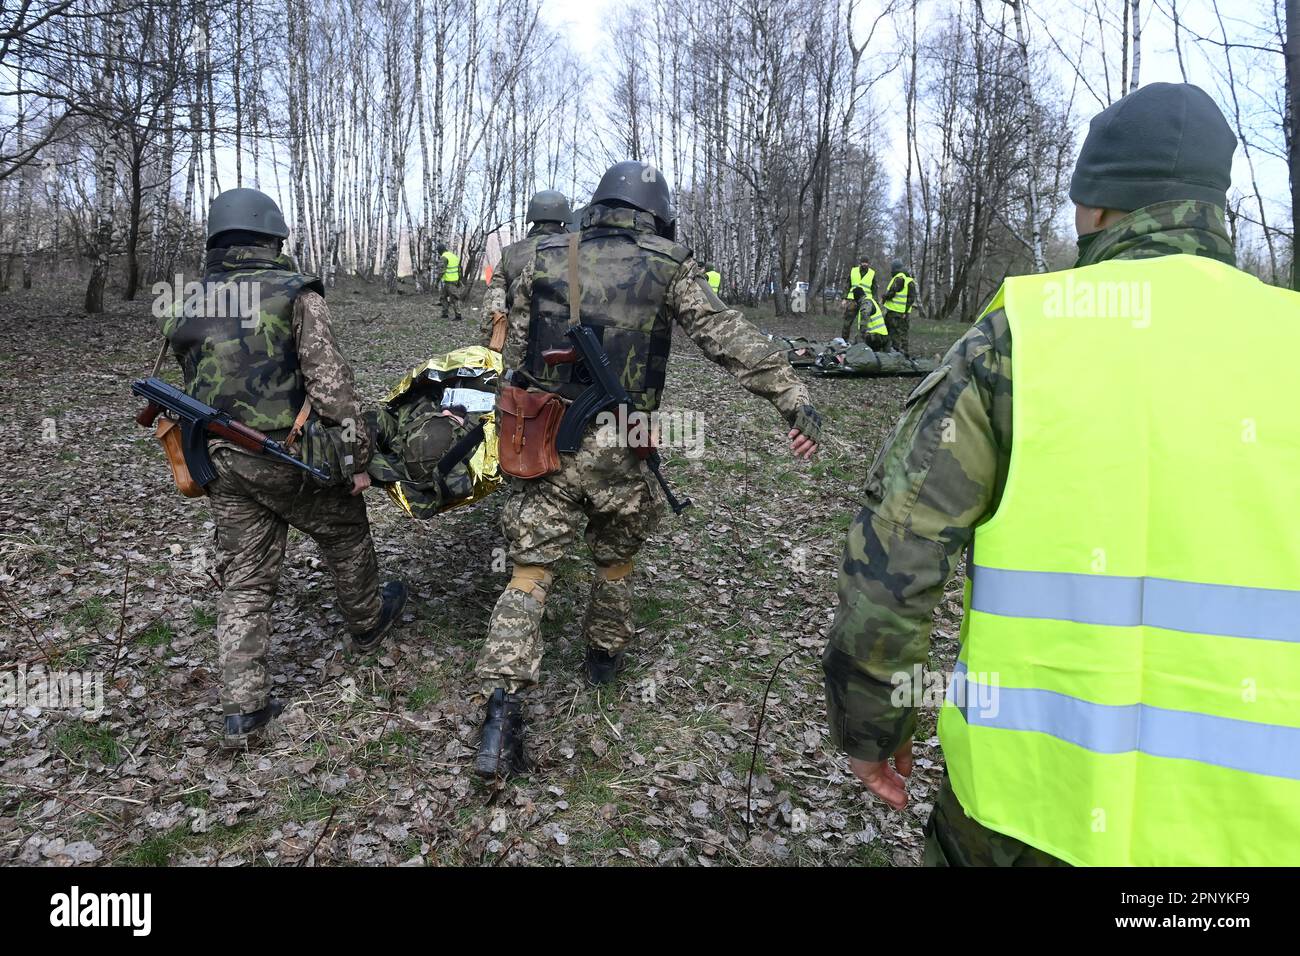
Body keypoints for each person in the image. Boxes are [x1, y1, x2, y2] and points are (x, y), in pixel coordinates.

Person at [822, 82, 1300, 866]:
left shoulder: (1020, 341)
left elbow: (895, 551)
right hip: (1258, 833)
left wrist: (872, 728)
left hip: (1027, 813)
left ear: (1096, 204)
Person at [475, 160, 823, 778]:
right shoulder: (667, 263)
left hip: (542, 438)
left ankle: (500, 716)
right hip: (626, 436)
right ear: (653, 211)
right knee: (615, 558)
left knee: (528, 573)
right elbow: (726, 336)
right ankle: (603, 656)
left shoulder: (536, 256)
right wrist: (792, 396)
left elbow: (512, 354)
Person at [162, 188, 408, 748]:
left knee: (245, 579)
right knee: (345, 530)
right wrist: (354, 461)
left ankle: (243, 711)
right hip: (286, 455)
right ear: (273, 237)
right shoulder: (295, 293)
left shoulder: (188, 300)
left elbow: (190, 371)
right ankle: (369, 622)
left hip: (218, 457)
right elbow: (333, 389)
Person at [481, 191, 571, 346]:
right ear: (563, 218)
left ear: (532, 217)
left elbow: (494, 303)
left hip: (518, 343)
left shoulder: (510, 253)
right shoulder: (576, 250)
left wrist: (487, 344)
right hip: (566, 344)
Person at [881, 258, 916, 355]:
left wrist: (884, 297)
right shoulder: (910, 280)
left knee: (893, 334)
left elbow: (892, 292)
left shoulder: (899, 278)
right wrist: (905, 311)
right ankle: (905, 354)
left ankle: (893, 354)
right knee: (903, 334)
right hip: (904, 313)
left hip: (894, 312)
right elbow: (911, 299)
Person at [841, 254, 876, 341]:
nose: (864, 264)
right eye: (863, 262)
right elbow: (847, 285)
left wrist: (875, 302)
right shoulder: (853, 271)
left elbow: (874, 289)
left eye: (866, 263)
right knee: (847, 322)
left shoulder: (872, 273)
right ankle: (844, 340)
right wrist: (844, 298)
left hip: (865, 302)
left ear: (868, 264)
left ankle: (861, 341)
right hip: (852, 300)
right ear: (860, 263)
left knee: (863, 323)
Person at [435, 241, 463, 321]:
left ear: (440, 251)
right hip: (452, 281)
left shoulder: (444, 257)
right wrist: (459, 280)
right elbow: (459, 270)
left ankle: (458, 316)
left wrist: (437, 282)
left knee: (454, 299)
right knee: (443, 297)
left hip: (450, 282)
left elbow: (441, 271)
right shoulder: (454, 256)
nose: (438, 253)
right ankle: (445, 314)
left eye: (438, 252)